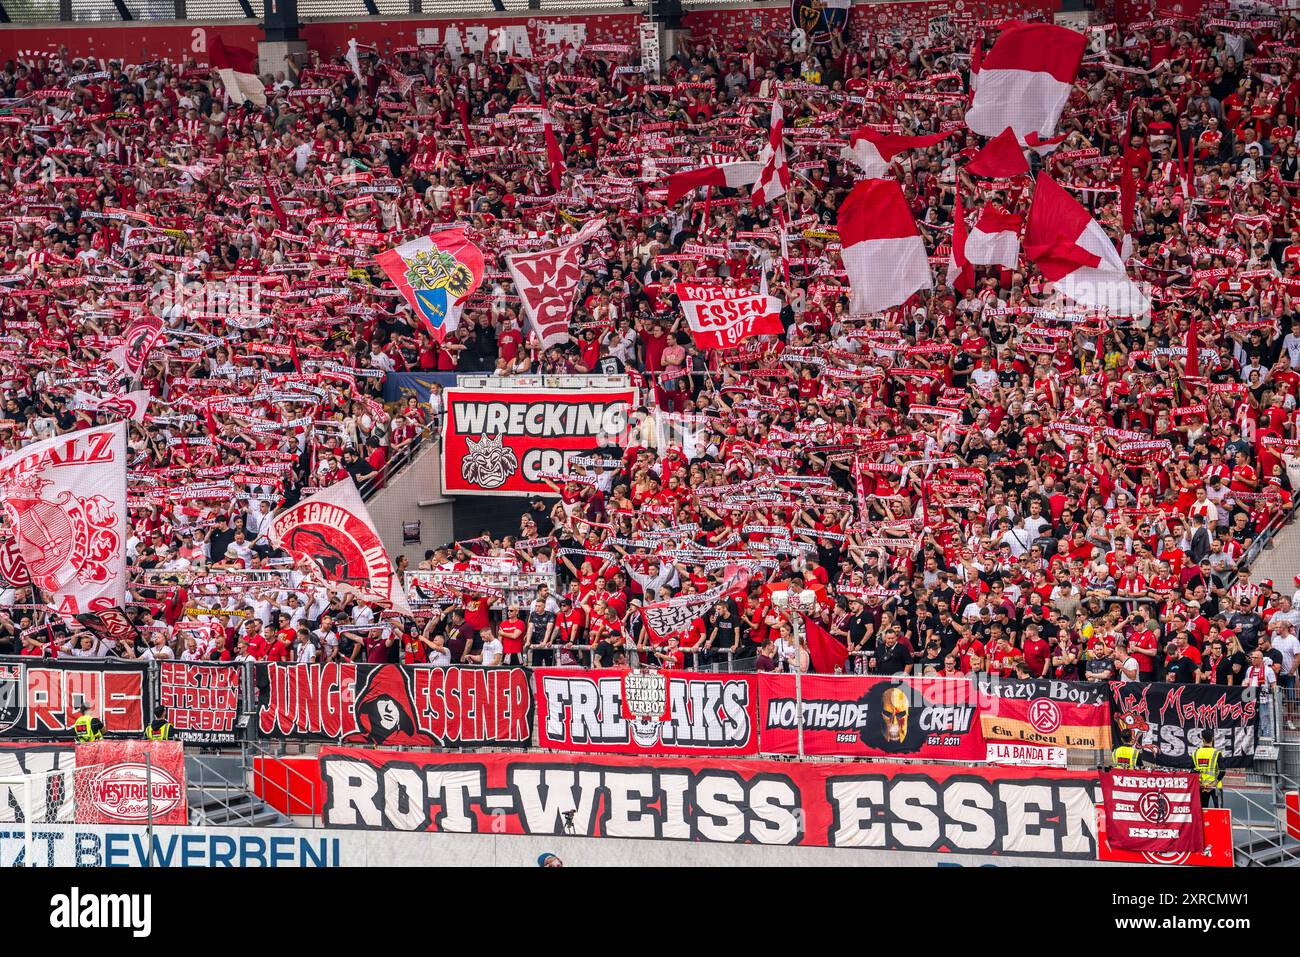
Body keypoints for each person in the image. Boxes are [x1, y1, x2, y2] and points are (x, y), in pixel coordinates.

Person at [1193, 729, 1225, 808]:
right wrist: (1213, 784)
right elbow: (1223, 771)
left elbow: (1193, 772)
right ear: (1213, 738)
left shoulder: (1195, 753)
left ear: (1202, 739)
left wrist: (1201, 784)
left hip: (1201, 787)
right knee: (1219, 812)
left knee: (1202, 812)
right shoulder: (1217, 753)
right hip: (1215, 787)